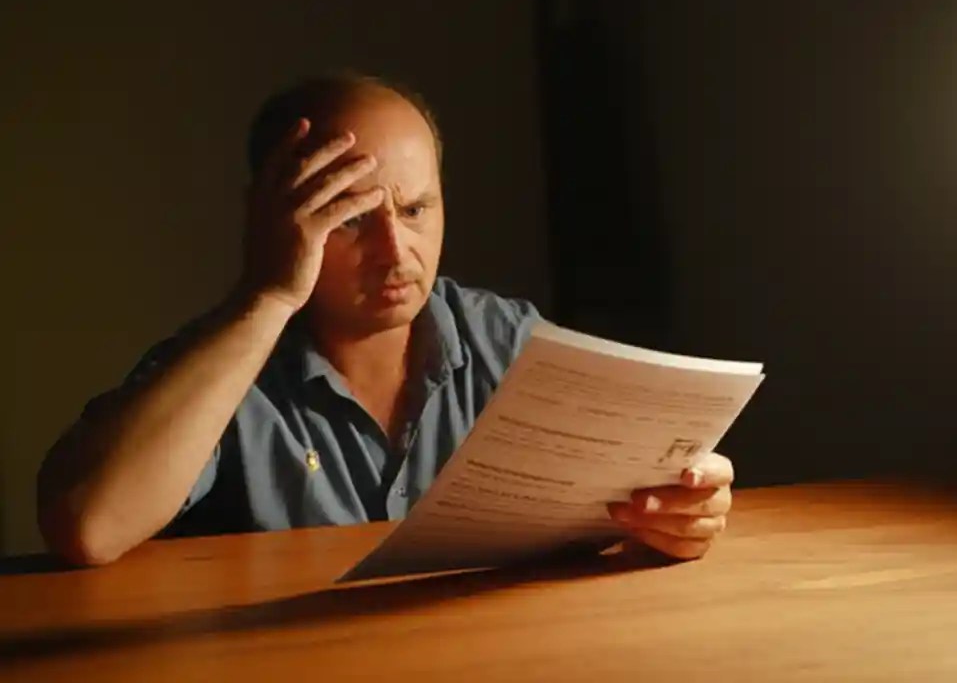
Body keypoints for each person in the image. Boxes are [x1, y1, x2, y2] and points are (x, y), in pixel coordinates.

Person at [37, 74, 734, 566]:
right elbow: (89, 528)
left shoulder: (504, 341)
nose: (395, 252)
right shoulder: (223, 369)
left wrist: (675, 510)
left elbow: (633, 490)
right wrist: (269, 295)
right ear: (276, 221)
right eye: (351, 219)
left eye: (415, 210)